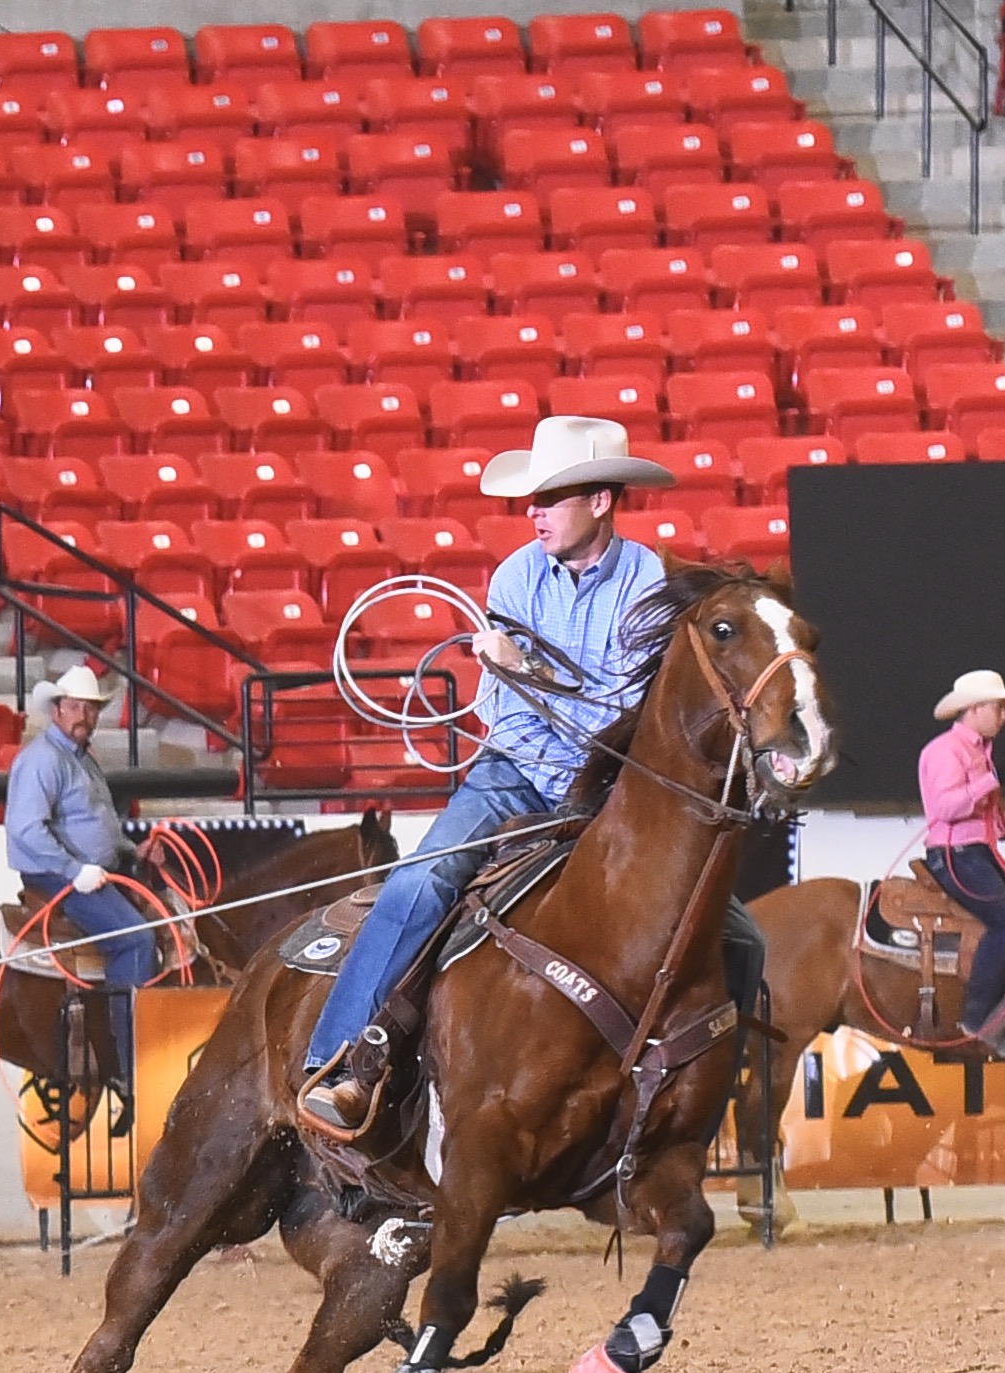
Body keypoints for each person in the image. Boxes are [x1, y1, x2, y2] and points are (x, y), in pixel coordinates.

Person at [298, 417, 770, 1132]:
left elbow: (625, 710)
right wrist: (536, 721)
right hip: (516, 773)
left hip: (611, 789)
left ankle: (694, 1092)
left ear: (601, 501)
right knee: (421, 879)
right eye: (534, 499)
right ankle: (340, 1061)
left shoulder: (649, 584)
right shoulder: (516, 574)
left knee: (740, 940)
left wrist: (532, 673)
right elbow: (504, 709)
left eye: (551, 497)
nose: (533, 512)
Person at [3, 664, 152, 1095]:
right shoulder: (42, 760)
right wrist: (74, 870)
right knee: (136, 939)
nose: (84, 714)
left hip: (94, 868)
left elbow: (98, 821)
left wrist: (129, 850)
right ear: (57, 710)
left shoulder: (82, 760)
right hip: (55, 875)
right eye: (75, 706)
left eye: (90, 707)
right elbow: (26, 828)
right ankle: (130, 1065)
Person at [919, 668, 1005, 1057]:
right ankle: (980, 1017)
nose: (1004, 717)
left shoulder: (980, 754)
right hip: (954, 856)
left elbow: (987, 821)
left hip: (977, 852)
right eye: (999, 708)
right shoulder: (944, 751)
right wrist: (989, 781)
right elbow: (946, 808)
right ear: (975, 709)